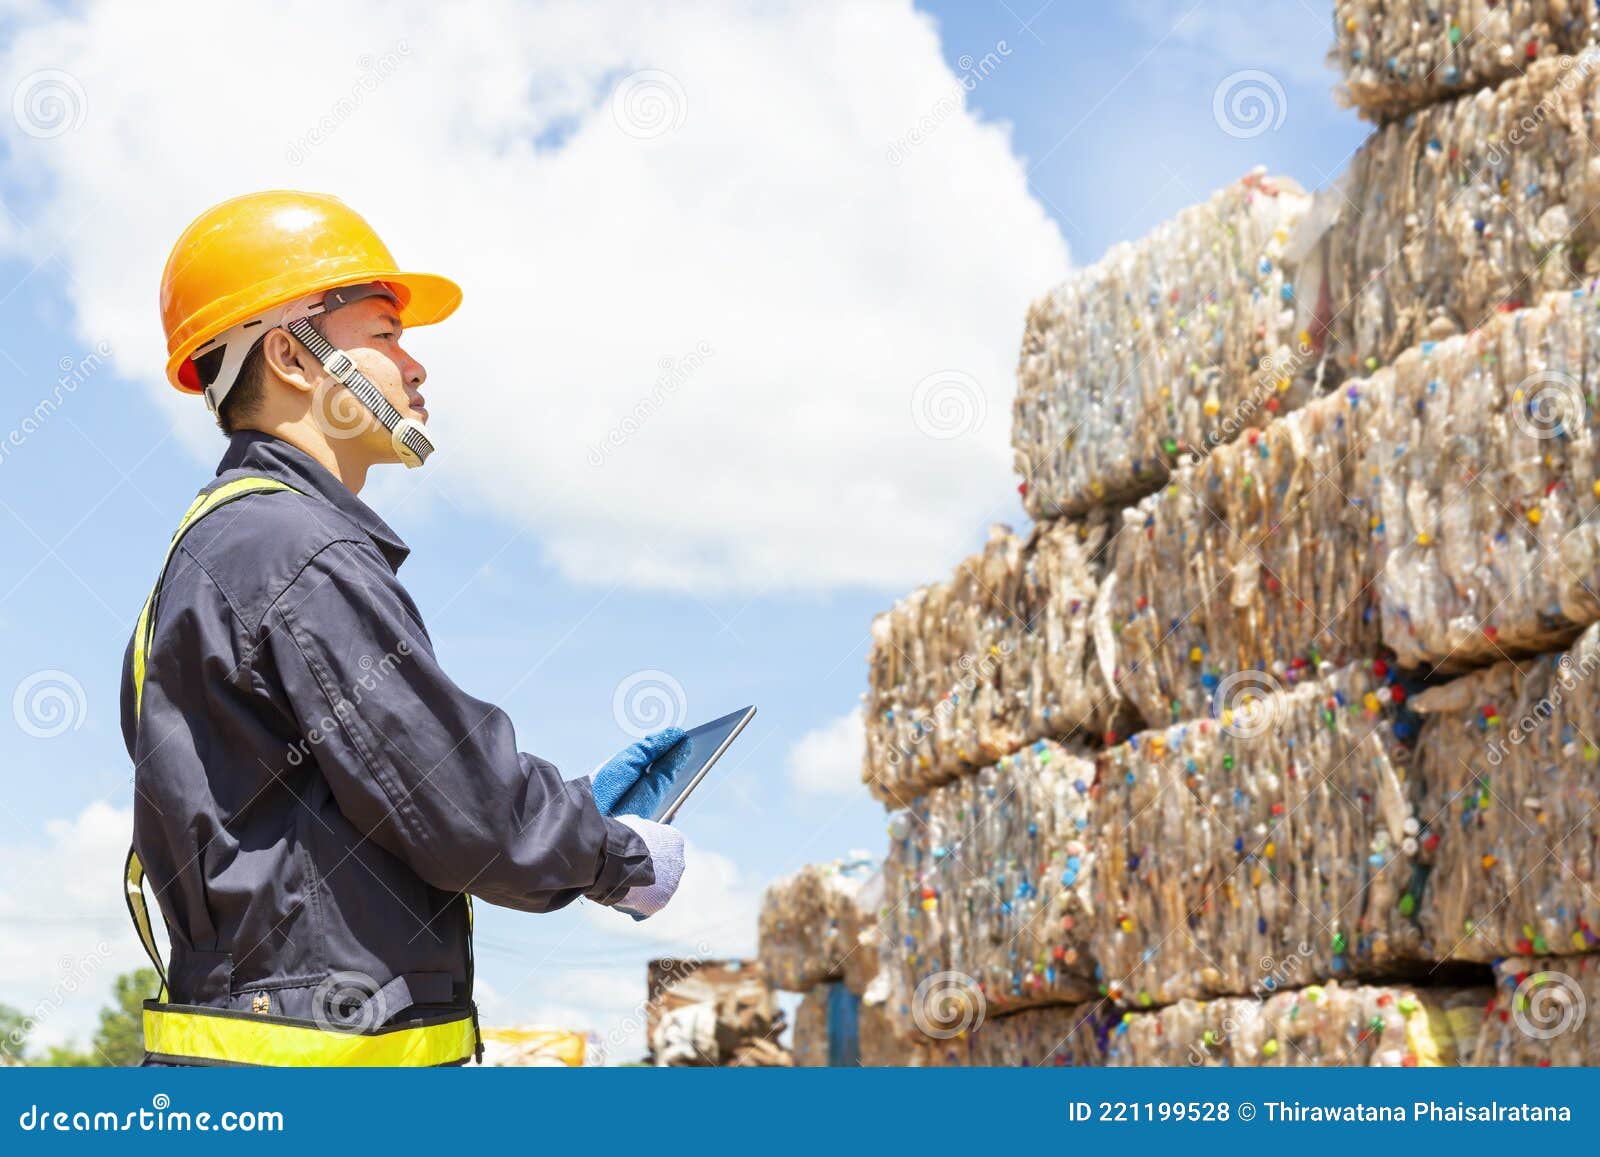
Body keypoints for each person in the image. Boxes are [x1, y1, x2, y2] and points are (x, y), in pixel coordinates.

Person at [119, 190, 686, 1066]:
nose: (415, 367)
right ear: (292, 357)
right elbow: (457, 804)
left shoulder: (229, 542)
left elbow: (398, 793)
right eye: (384, 334)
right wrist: (613, 853)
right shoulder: (295, 547)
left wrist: (568, 821)